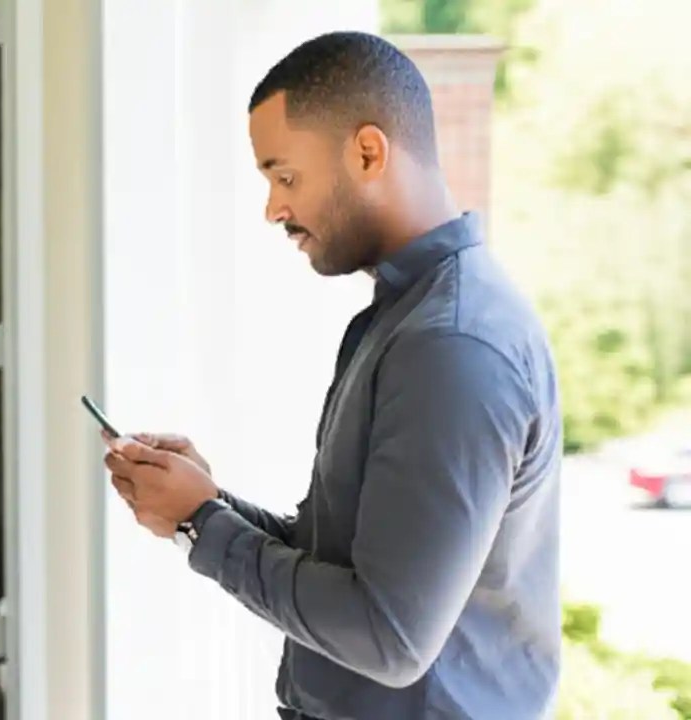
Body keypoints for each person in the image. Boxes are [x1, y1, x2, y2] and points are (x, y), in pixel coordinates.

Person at [103, 31, 562, 719]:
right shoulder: (404, 321)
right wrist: (203, 503)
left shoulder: (453, 345)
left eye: (284, 176)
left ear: (368, 152)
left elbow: (389, 636)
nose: (273, 209)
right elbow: (346, 565)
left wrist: (200, 523)